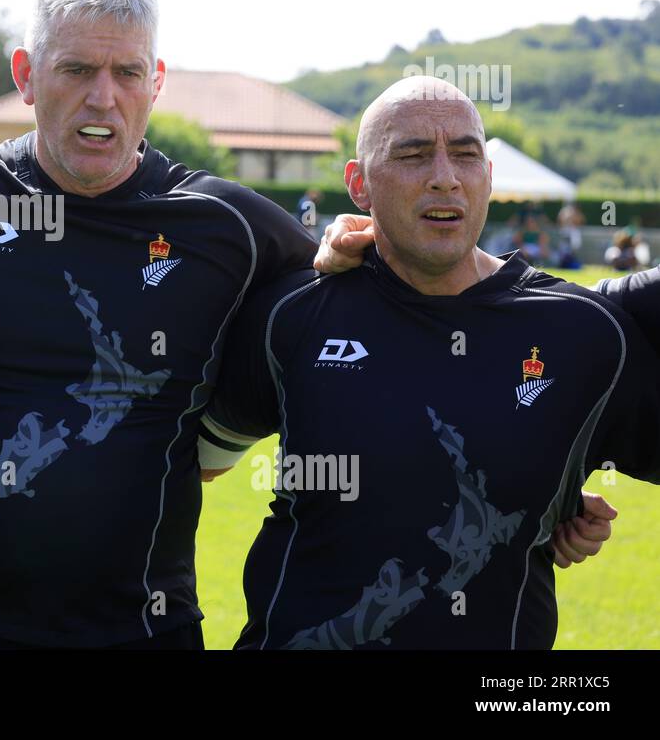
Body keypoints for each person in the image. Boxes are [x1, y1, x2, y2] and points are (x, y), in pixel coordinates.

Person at [0, 0, 606, 649]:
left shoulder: (227, 226)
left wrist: (544, 493)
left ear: (156, 81)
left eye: (125, 71)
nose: (101, 96)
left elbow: (386, 303)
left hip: (148, 627)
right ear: (27, 75)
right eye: (75, 68)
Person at [204, 76, 659, 648]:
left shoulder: (585, 333)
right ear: (359, 184)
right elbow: (192, 460)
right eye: (412, 154)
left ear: (487, 178)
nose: (444, 176)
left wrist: (553, 496)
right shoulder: (292, 315)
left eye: (466, 155)